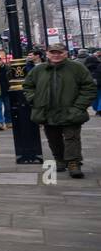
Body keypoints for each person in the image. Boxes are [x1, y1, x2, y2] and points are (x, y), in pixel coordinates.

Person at [22, 43, 97, 179]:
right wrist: (34, 99)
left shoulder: (77, 68)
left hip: (71, 111)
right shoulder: (39, 70)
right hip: (47, 111)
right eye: (53, 52)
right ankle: (60, 159)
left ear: (65, 53)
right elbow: (28, 86)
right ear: (48, 54)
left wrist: (79, 107)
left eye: (59, 52)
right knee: (53, 138)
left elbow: (89, 88)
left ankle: (74, 163)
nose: (56, 55)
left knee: (71, 138)